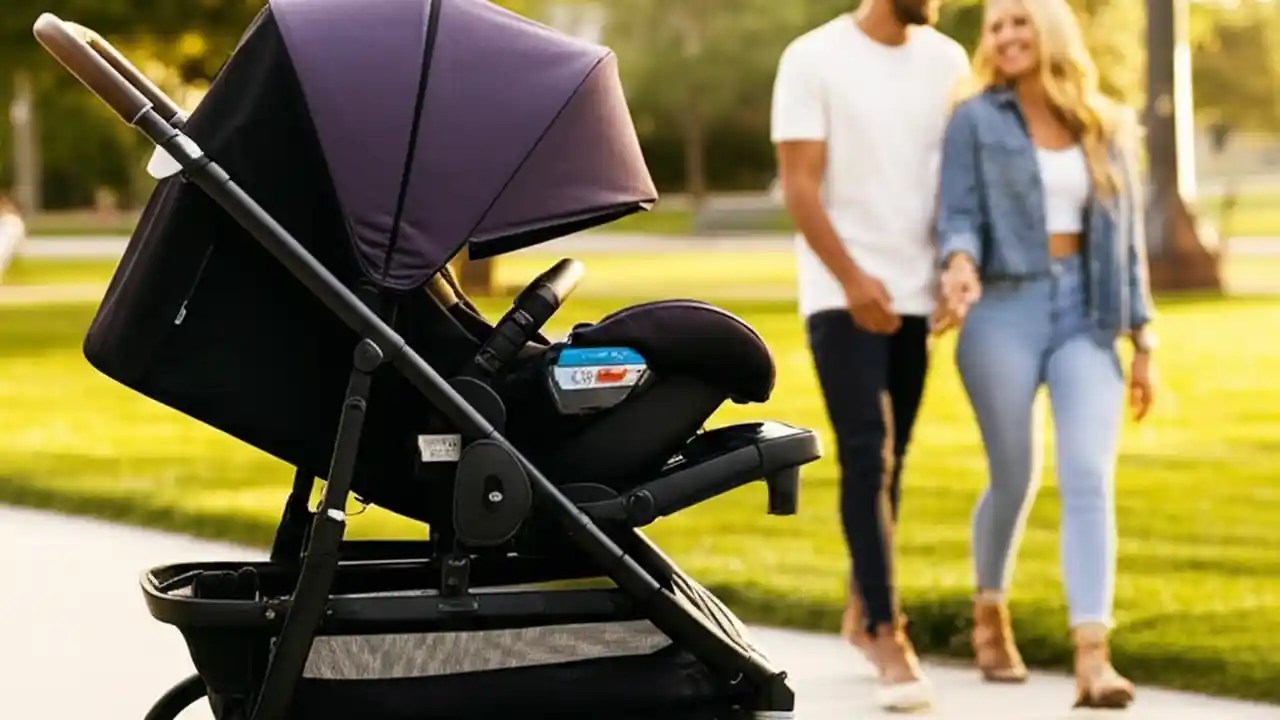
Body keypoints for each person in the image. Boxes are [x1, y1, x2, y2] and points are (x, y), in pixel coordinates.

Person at [932, 0, 1157, 709]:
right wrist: (960, 263)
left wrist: (1142, 337)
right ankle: (989, 613)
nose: (1004, 36)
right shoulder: (974, 118)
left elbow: (1127, 242)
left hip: (1087, 317)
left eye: (1018, 21)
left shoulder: (1106, 124)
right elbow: (957, 212)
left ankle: (1094, 657)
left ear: (1051, 31)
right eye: (995, 27)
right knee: (1014, 473)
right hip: (1002, 307)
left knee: (1088, 474)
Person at [770, 0, 969, 711]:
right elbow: (799, 185)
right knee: (868, 452)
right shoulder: (812, 57)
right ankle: (888, 632)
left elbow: (957, 185)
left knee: (895, 462)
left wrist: (953, 267)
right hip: (840, 291)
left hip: (918, 296)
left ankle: (860, 609)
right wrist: (852, 280)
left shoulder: (948, 62)